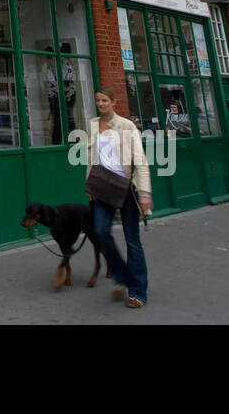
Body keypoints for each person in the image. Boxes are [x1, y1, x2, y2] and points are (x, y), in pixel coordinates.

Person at [86, 89, 153, 309]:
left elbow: (140, 161)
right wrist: (89, 184)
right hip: (102, 189)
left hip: (125, 188)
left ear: (113, 102)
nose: (101, 104)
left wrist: (144, 194)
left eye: (105, 100)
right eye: (98, 100)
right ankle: (123, 275)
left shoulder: (126, 126)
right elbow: (91, 157)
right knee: (101, 232)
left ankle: (137, 292)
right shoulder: (93, 124)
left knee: (132, 241)